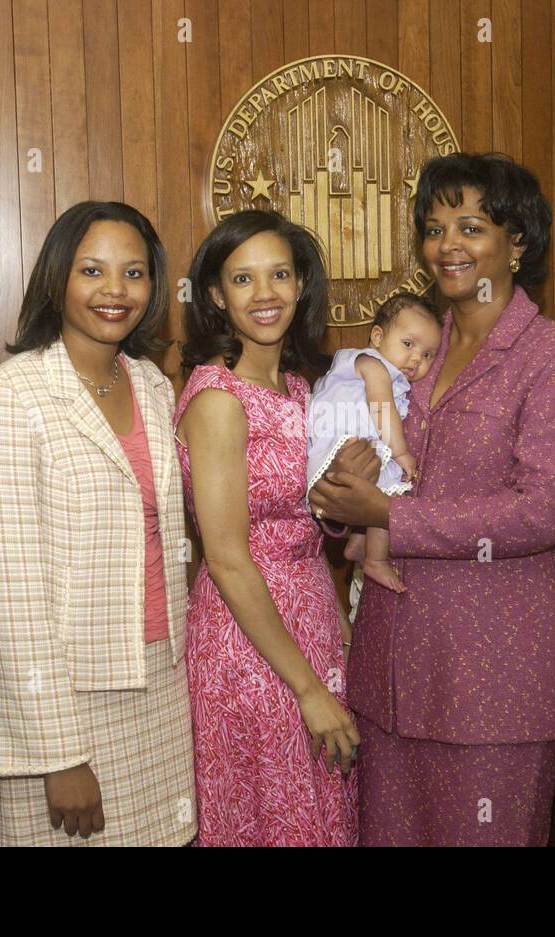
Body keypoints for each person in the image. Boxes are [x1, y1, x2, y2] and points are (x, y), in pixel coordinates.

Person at [309, 153, 555, 846]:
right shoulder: (410, 353)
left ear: (518, 242)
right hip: (389, 674)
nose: (448, 244)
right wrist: (335, 497)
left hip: (497, 678)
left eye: (470, 226)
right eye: (434, 227)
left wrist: (387, 515)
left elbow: (539, 509)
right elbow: (352, 463)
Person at [0, 201, 197, 846]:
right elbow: (12, 598)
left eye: (134, 272)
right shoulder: (6, 398)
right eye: (92, 270)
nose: (114, 291)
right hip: (69, 702)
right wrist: (57, 754)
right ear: (58, 278)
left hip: (162, 686)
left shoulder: (151, 384)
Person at [175, 209, 379, 846]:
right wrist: (309, 688)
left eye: (280, 275)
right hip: (250, 641)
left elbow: (305, 519)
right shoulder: (218, 398)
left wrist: (349, 489)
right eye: (243, 279)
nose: (265, 294)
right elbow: (229, 557)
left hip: (311, 614)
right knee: (276, 817)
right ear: (215, 294)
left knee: (322, 810)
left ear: (301, 285)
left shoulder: (299, 386)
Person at [306, 293, 443, 594]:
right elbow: (382, 408)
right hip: (344, 444)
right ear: (378, 336)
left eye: (428, 354)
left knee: (382, 493)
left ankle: (359, 541)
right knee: (392, 489)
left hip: (346, 444)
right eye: (408, 344)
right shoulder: (373, 366)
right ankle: (376, 560)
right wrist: (402, 452)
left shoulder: (380, 370)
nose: (416, 358)